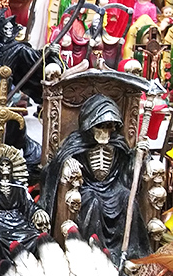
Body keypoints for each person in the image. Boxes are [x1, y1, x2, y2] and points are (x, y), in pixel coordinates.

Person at [40, 94, 151, 262]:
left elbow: (127, 173)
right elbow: (54, 167)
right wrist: (68, 162)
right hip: (87, 187)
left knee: (128, 199)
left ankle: (130, 254)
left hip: (112, 187)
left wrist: (140, 156)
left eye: (109, 126)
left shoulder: (118, 144)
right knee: (92, 202)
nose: (105, 131)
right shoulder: (76, 143)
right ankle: (90, 255)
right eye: (100, 126)